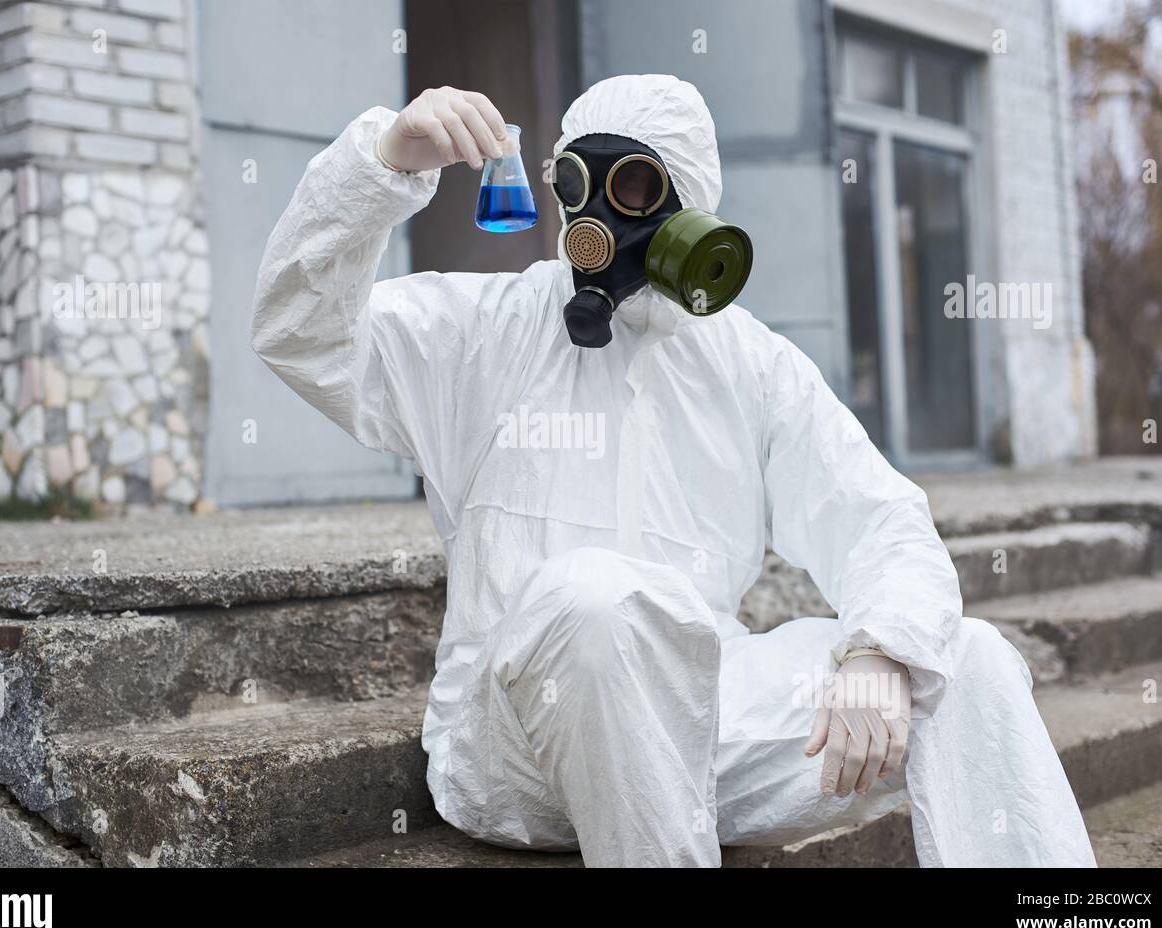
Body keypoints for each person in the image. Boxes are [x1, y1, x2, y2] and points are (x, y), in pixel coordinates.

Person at [251, 75, 1096, 867]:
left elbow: (881, 520)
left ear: (692, 209)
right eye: (577, 186)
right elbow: (303, 333)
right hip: (517, 743)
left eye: (631, 191)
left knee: (964, 658)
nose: (595, 223)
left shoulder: (752, 365)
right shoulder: (485, 331)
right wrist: (383, 160)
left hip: (700, 732)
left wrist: (880, 650)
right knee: (595, 595)